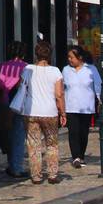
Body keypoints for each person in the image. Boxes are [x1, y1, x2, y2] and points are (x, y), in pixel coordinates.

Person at [13, 40, 66, 184]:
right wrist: (63, 113)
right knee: (52, 143)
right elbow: (59, 95)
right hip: (50, 112)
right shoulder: (55, 71)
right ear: (50, 55)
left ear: (36, 54)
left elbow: (20, 86)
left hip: (31, 112)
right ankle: (52, 174)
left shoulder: (28, 69)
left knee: (33, 144)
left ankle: (36, 176)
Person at [62, 46, 101, 169]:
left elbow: (98, 86)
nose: (70, 60)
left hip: (86, 107)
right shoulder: (66, 70)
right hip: (70, 106)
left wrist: (100, 101)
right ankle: (76, 157)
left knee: (83, 133)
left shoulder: (91, 69)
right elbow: (61, 88)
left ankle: (81, 155)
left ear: (80, 58)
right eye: (68, 57)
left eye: (72, 57)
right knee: (73, 132)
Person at [0, 42, 27, 178]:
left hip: (4, 103)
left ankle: (11, 162)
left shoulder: (3, 66)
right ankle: (16, 167)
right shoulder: (26, 67)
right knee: (18, 135)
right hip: (20, 105)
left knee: (5, 132)